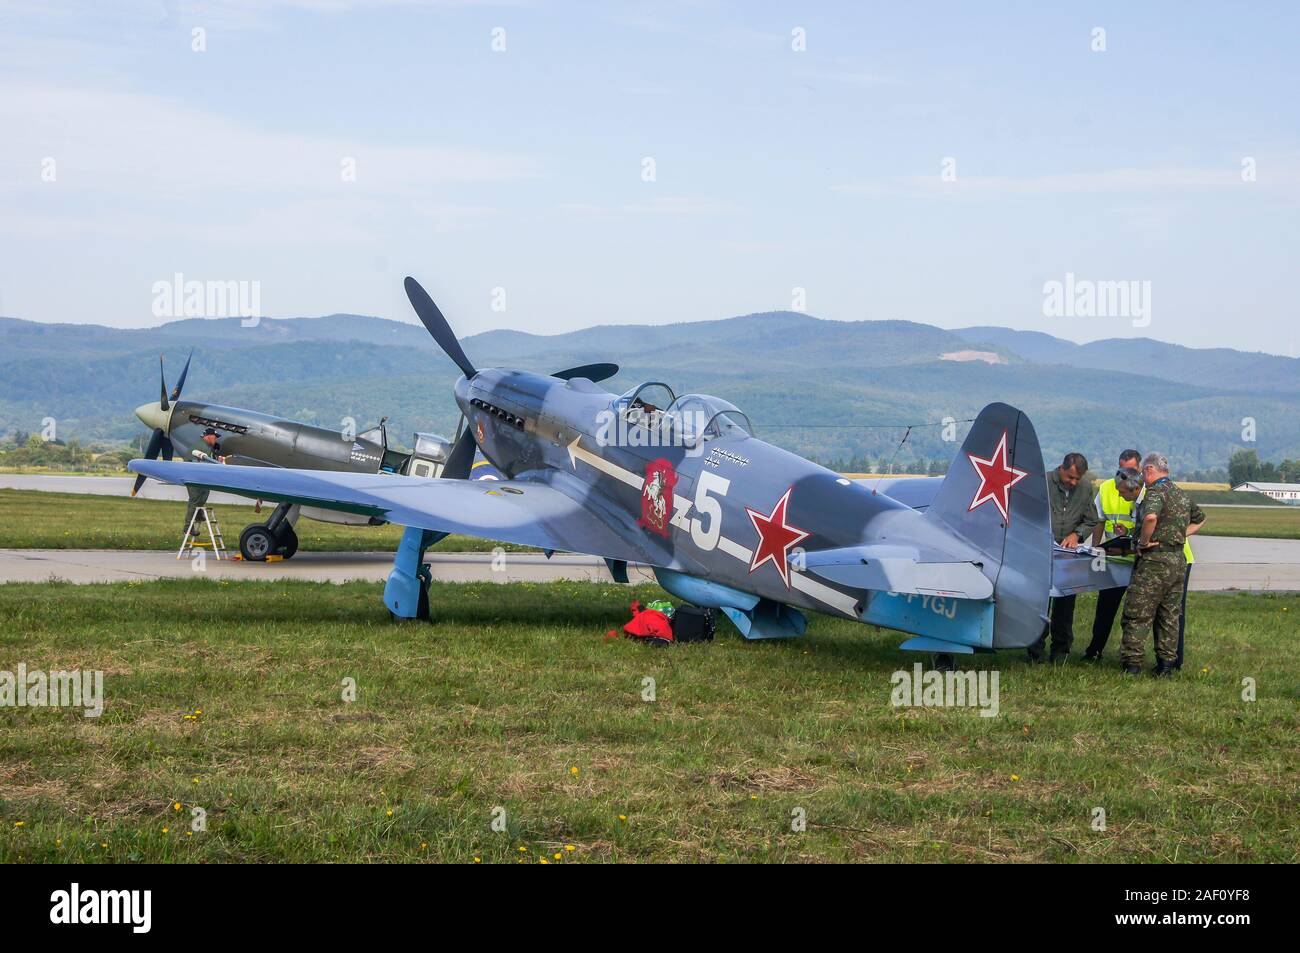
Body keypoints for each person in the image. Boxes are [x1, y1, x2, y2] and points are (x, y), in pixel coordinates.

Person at [1119, 453, 1206, 676]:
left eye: (1142, 472)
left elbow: (1150, 518)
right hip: (1177, 561)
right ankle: (1166, 666)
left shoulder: (1155, 493)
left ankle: (1132, 664)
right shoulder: (1180, 493)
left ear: (1149, 470)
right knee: (1169, 615)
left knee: (1138, 612)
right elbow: (1201, 518)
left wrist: (1143, 542)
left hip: (1154, 561)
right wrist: (1179, 535)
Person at [1028, 452, 1098, 663]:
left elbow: (1091, 519)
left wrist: (1077, 534)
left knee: (1066, 605)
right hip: (1040, 553)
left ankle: (1061, 650)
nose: (1073, 482)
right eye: (1070, 477)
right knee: (1039, 604)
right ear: (1061, 468)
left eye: (1078, 478)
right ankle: (1035, 651)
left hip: (1068, 557)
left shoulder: (1085, 488)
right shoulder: (1041, 483)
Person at [1082, 452, 1143, 661]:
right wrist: (1096, 549)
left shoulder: (1146, 492)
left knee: (1135, 612)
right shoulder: (1108, 487)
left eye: (1130, 470)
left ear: (1140, 469)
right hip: (1115, 558)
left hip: (1138, 559)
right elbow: (1099, 520)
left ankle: (1131, 655)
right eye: (1120, 469)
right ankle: (1094, 650)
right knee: (1105, 609)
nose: (1123, 475)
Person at [183, 428, 227, 534]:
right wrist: (218, 463)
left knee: (203, 496)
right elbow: (202, 463)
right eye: (215, 437)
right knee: (195, 500)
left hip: (200, 477)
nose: (216, 439)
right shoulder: (201, 446)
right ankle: (188, 528)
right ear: (208, 436)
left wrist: (217, 460)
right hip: (194, 477)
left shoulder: (206, 447)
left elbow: (207, 461)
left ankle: (198, 515)